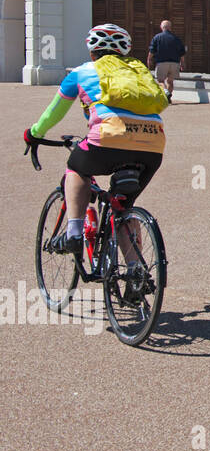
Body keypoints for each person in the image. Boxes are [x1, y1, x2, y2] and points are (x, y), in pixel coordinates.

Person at [22, 24, 166, 278]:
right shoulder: (140, 72)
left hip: (107, 140)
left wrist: (34, 133)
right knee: (123, 206)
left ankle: (74, 232)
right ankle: (135, 272)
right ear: (125, 52)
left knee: (77, 167)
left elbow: (53, 114)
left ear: (92, 52)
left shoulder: (80, 72)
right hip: (153, 145)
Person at [146, 20, 187, 100]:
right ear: (170, 28)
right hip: (175, 63)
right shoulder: (176, 38)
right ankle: (168, 98)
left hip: (162, 63)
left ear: (161, 27)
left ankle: (165, 91)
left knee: (160, 81)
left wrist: (149, 59)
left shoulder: (157, 37)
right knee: (170, 81)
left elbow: (152, 50)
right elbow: (181, 53)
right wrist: (182, 63)